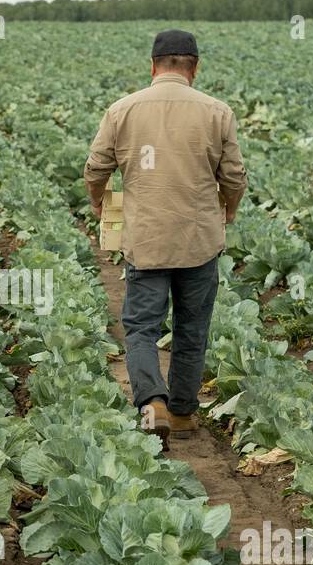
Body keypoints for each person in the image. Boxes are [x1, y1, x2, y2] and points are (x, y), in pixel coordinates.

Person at [83, 29, 246, 448]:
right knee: (192, 327)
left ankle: (150, 402)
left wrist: (100, 202)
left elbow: (96, 167)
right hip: (199, 239)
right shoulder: (217, 112)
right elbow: (234, 177)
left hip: (147, 238)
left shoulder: (123, 110)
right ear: (194, 67)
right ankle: (182, 413)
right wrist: (229, 207)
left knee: (140, 326)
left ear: (153, 66)